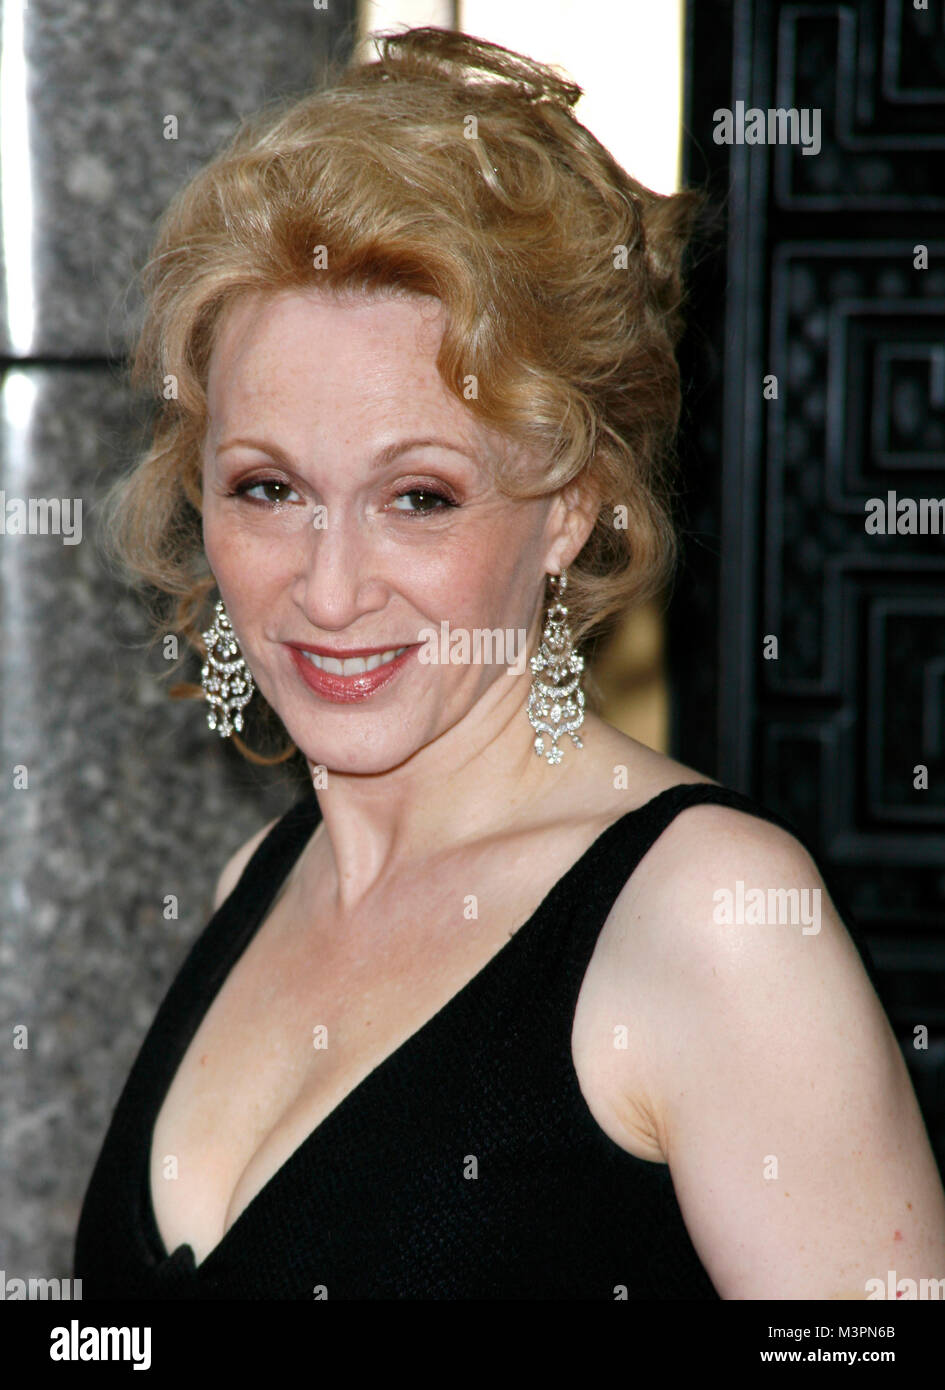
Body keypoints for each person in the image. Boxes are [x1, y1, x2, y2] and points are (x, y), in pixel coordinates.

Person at [74, 26, 945, 1299]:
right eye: (268, 488)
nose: (326, 587)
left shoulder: (712, 921)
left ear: (572, 508)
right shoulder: (257, 883)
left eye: (419, 497)